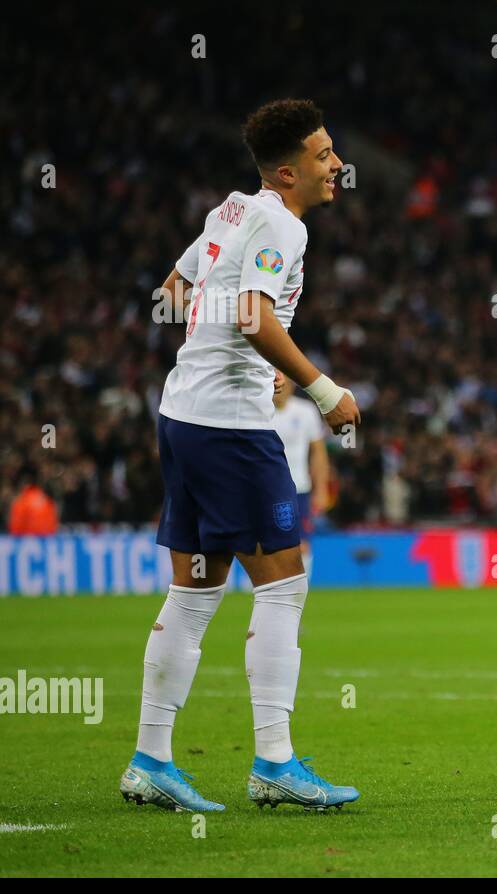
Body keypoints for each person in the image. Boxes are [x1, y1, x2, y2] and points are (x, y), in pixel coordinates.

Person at [121, 99, 362, 813]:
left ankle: (150, 759)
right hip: (230, 428)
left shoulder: (230, 210)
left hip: (183, 416)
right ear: (288, 172)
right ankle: (275, 763)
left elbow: (173, 294)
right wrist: (321, 390)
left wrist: (224, 354)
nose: (338, 165)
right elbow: (254, 313)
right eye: (323, 156)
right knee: (284, 584)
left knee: (195, 592)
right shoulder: (282, 225)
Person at [271, 369, 330, 576]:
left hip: (299, 489)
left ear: (293, 385)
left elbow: (318, 453)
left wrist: (321, 489)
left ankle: (299, 596)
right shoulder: (258, 413)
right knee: (268, 547)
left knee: (302, 544)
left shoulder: (306, 411)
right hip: (266, 490)